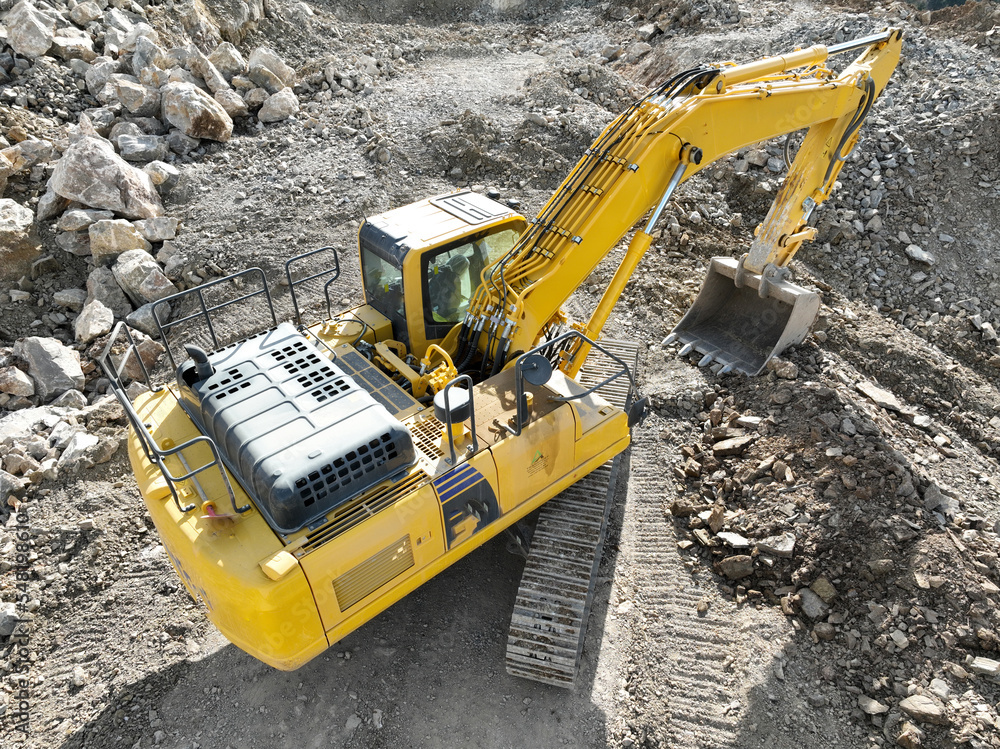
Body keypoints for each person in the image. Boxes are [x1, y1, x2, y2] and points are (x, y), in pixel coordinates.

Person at [430, 253, 470, 323]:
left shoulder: (438, 270)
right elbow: (456, 302)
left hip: (432, 311)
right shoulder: (456, 279)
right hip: (444, 316)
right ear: (462, 269)